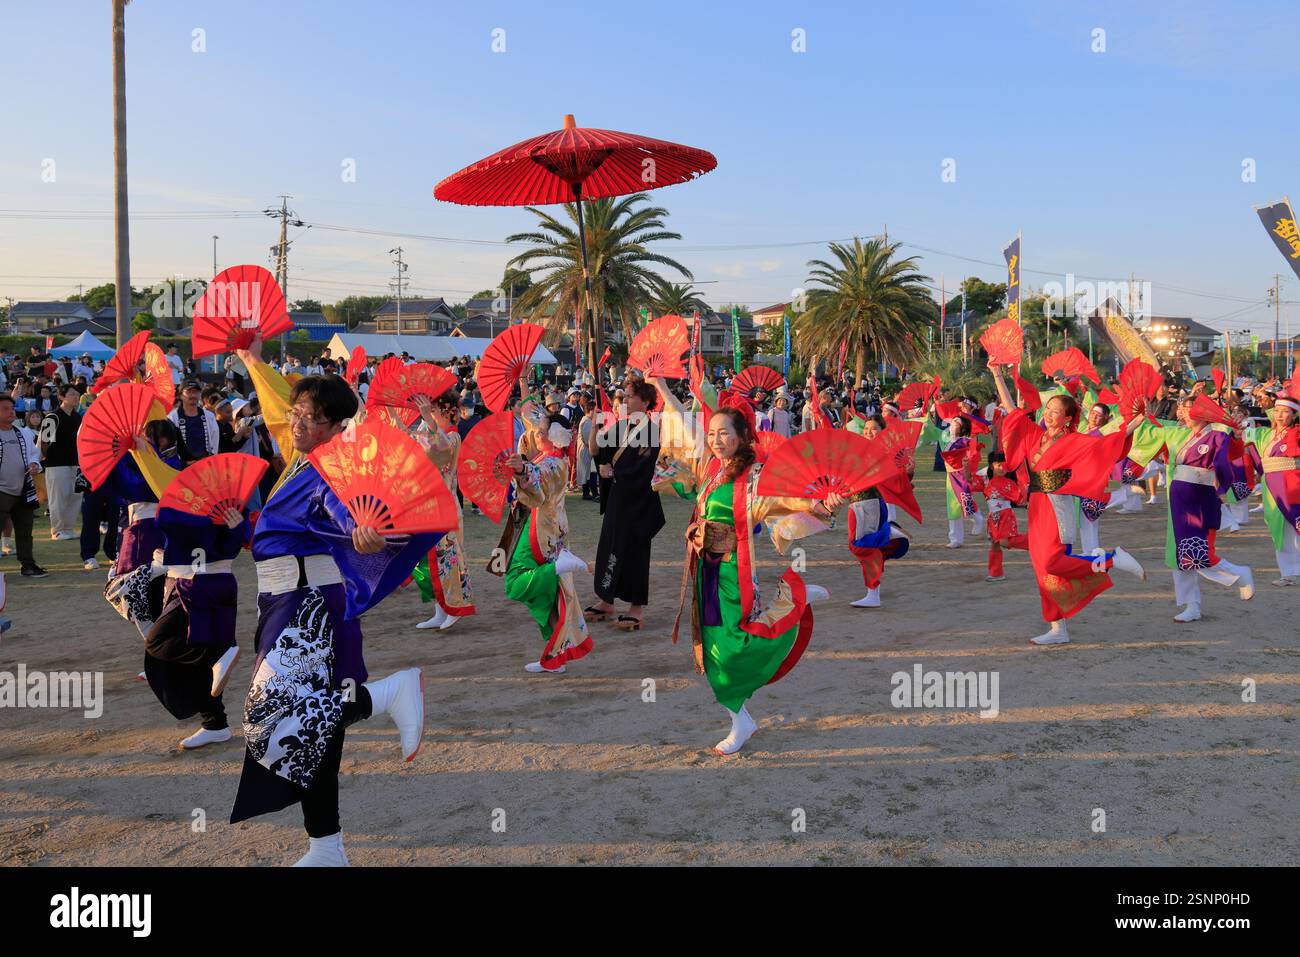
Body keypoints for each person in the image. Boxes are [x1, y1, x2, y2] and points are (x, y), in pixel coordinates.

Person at [228, 336, 438, 866]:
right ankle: (327, 845)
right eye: (297, 412)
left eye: (311, 417)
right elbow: (277, 405)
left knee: (272, 714)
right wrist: (251, 360)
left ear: (337, 427)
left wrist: (361, 528)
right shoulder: (297, 461)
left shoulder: (329, 471)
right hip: (286, 604)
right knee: (313, 730)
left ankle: (387, 695)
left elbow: (345, 513)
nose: (297, 422)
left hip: (308, 608)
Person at [649, 379, 844, 754]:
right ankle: (740, 719)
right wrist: (661, 385)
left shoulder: (752, 480)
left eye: (725, 433)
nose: (716, 439)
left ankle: (796, 601)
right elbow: (680, 425)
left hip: (733, 574)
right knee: (711, 650)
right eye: (712, 433)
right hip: (705, 571)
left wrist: (823, 504)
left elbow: (786, 500)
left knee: (733, 647)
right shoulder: (710, 471)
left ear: (741, 436)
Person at [991, 364, 1147, 645]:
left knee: (1052, 562)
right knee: (1042, 570)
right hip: (1037, 504)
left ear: (1067, 418)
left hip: (1056, 505)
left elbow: (1110, 443)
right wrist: (997, 374)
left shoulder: (1076, 440)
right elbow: (1013, 409)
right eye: (1047, 409)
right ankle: (1057, 629)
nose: (1049, 414)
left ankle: (1111, 560)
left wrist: (1136, 420)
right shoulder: (1035, 436)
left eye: (1056, 412)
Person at [133, 443, 249, 750]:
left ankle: (218, 655)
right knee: (201, 666)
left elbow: (167, 525)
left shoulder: (184, 508)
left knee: (158, 642)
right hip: (219, 583)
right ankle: (215, 723)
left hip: (194, 587)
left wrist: (141, 454)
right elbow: (236, 542)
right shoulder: (229, 505)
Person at [498, 402, 593, 674]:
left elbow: (537, 491)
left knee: (515, 582)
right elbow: (531, 415)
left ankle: (557, 567)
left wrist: (521, 472)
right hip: (550, 531)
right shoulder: (551, 457)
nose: (535, 434)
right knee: (550, 596)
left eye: (540, 431)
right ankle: (555, 656)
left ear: (550, 437)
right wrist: (524, 381)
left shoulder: (553, 464)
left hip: (541, 533)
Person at [1151, 397, 1255, 622]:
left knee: (1197, 551)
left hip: (1199, 497)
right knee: (1180, 556)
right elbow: (1147, 434)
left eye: (1189, 408)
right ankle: (1191, 605)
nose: (1185, 413)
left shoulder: (1217, 434)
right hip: (1176, 498)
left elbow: (1233, 454)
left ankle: (1239, 574)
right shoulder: (1173, 432)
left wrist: (1236, 436)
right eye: (1182, 408)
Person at [586, 380, 664, 630]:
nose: (625, 401)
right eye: (625, 396)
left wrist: (613, 473)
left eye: (630, 396)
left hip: (639, 504)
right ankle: (606, 600)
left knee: (635, 555)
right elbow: (595, 449)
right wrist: (595, 423)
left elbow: (644, 469)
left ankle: (636, 609)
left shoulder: (651, 431)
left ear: (645, 400)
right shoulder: (621, 427)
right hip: (618, 501)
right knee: (609, 547)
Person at [411, 391, 476, 631]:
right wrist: (396, 417)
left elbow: (442, 450)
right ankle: (440, 609)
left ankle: (456, 606)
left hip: (446, 505)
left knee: (450, 558)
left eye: (435, 410)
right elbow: (415, 441)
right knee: (433, 561)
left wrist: (428, 419)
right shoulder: (433, 430)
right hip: (431, 505)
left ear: (446, 412)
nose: (432, 414)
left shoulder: (453, 437)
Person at [845, 414, 910, 607]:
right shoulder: (863, 451)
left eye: (873, 429)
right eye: (865, 429)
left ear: (883, 432)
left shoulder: (880, 453)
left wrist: (908, 472)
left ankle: (889, 533)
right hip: (862, 503)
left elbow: (896, 480)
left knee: (858, 545)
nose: (868, 432)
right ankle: (873, 594)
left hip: (867, 504)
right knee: (872, 550)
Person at [1243, 393, 1300, 585]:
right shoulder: (1266, 434)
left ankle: (1293, 572)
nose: (1280, 415)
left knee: (1295, 526)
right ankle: (1289, 573)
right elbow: (1243, 437)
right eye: (1277, 411)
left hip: (1292, 485)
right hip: (1271, 487)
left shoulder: (1297, 434)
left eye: (1285, 412)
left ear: (1294, 415)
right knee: (1278, 528)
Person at [0, 395, 47, 577]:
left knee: (25, 531)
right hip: (2, 491)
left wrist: (35, 464)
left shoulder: (23, 433)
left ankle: (28, 565)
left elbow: (34, 454)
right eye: (5, 408)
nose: (11, 411)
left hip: (24, 489)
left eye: (12, 408)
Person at [975, 451, 1028, 582]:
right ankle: (996, 573)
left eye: (1004, 465)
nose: (1002, 468)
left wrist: (1025, 487)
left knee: (1004, 542)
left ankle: (1034, 542)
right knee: (994, 544)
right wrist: (965, 466)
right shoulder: (985, 478)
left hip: (1005, 516)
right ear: (992, 466)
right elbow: (969, 481)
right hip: (993, 517)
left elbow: (1020, 499)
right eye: (999, 465)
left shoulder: (1009, 483)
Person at [39, 384, 83, 541]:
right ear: (61, 397)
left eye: (77, 395)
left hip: (76, 463)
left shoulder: (78, 417)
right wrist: (46, 459)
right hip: (56, 464)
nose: (76, 397)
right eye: (72, 394)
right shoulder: (52, 416)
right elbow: (44, 442)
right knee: (58, 497)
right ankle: (57, 530)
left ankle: (69, 528)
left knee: (75, 496)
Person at [169, 380, 218, 459]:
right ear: (181, 395)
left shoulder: (209, 416)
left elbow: (214, 441)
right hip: (182, 465)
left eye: (196, 392)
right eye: (189, 392)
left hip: (205, 462)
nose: (193, 395)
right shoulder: (172, 417)